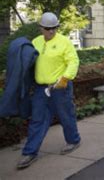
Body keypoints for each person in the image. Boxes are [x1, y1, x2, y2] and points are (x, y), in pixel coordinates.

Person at [17, 12, 81, 169]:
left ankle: (73, 140)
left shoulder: (64, 42)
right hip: (41, 89)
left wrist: (65, 78)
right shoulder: (36, 42)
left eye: (54, 28)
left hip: (60, 87)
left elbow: (73, 61)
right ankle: (30, 153)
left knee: (66, 116)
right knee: (37, 120)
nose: (51, 31)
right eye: (48, 28)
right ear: (41, 28)